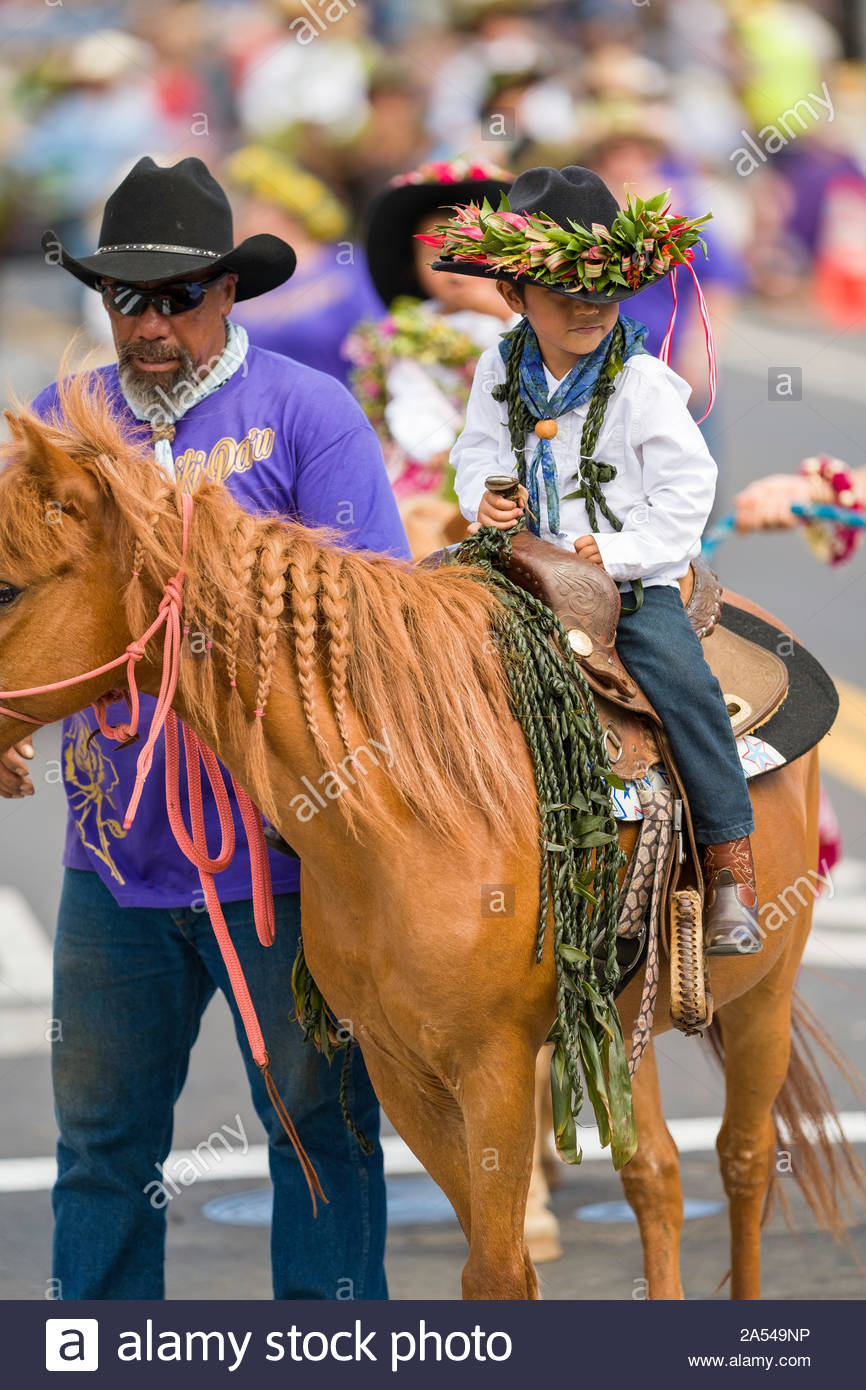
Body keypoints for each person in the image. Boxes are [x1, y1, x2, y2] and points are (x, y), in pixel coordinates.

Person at [0, 155, 410, 1300]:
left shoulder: (306, 411)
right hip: (113, 858)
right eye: (126, 298)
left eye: (178, 294)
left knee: (319, 1138)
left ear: (229, 292)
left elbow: (373, 625)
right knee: (99, 1150)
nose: (151, 322)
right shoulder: (60, 427)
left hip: (286, 855)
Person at [436, 164, 762, 954]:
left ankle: (729, 873)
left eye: (603, 293)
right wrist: (488, 495)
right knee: (405, 616)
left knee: (685, 690)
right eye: (564, 293)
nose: (588, 309)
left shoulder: (645, 383)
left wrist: (619, 552)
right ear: (514, 297)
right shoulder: (496, 366)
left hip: (626, 586)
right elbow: (475, 448)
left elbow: (689, 491)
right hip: (516, 564)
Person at [347, 157, 517, 553]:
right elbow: (409, 395)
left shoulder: (520, 318)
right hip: (436, 463)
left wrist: (499, 309)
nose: (452, 266)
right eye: (435, 252)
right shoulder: (411, 329)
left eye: (466, 249)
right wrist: (435, 446)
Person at [225, 146, 382, 386]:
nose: (247, 216)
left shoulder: (350, 266)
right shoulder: (238, 281)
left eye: (258, 206)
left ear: (289, 210)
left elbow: (378, 343)